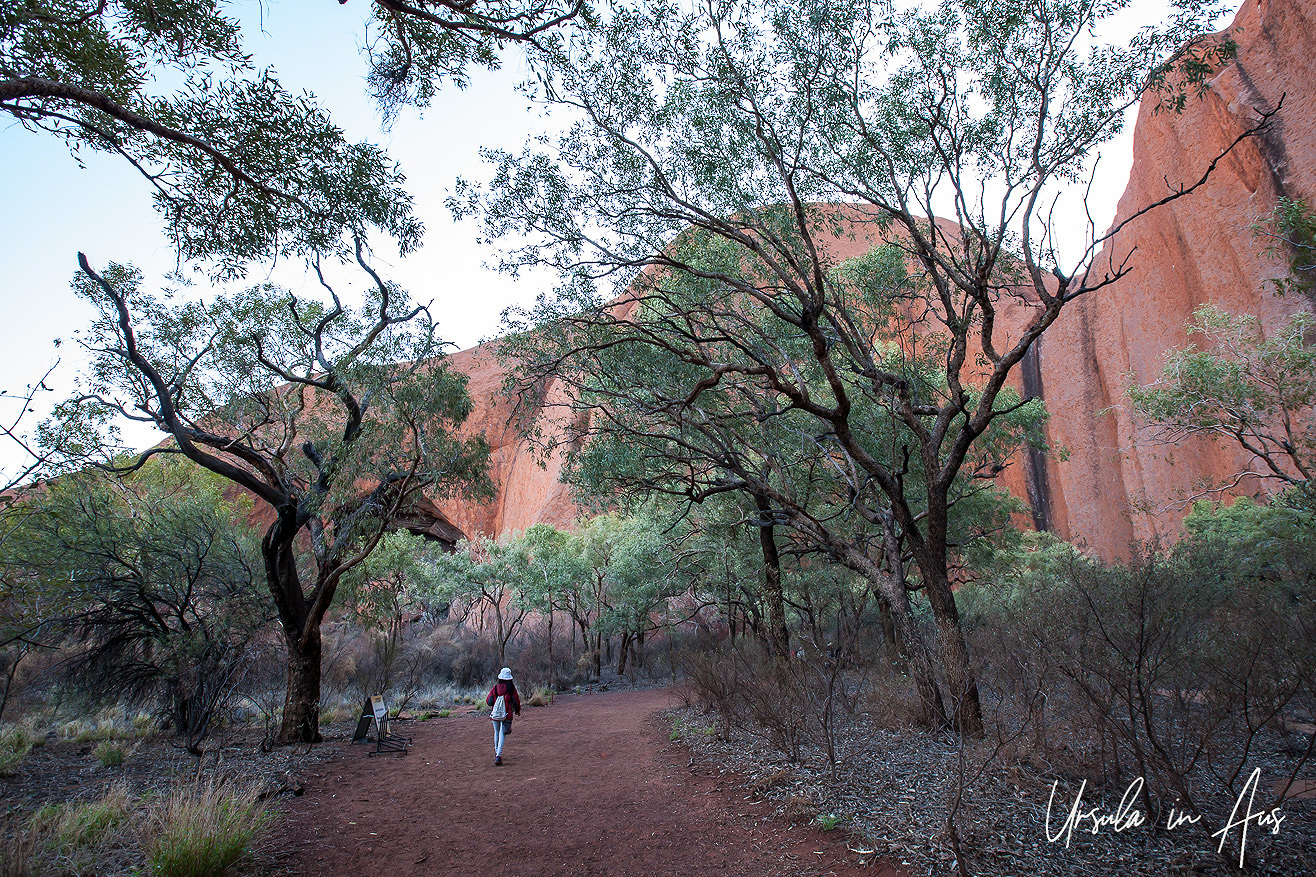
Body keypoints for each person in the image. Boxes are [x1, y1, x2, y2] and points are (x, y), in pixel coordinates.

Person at [485, 667, 521, 766]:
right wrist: (517, 710)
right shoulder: (511, 689)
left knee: (496, 732)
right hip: (506, 715)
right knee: (502, 733)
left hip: (495, 714)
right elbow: (516, 701)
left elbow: (489, 702)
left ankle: (497, 753)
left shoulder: (495, 688)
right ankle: (498, 755)